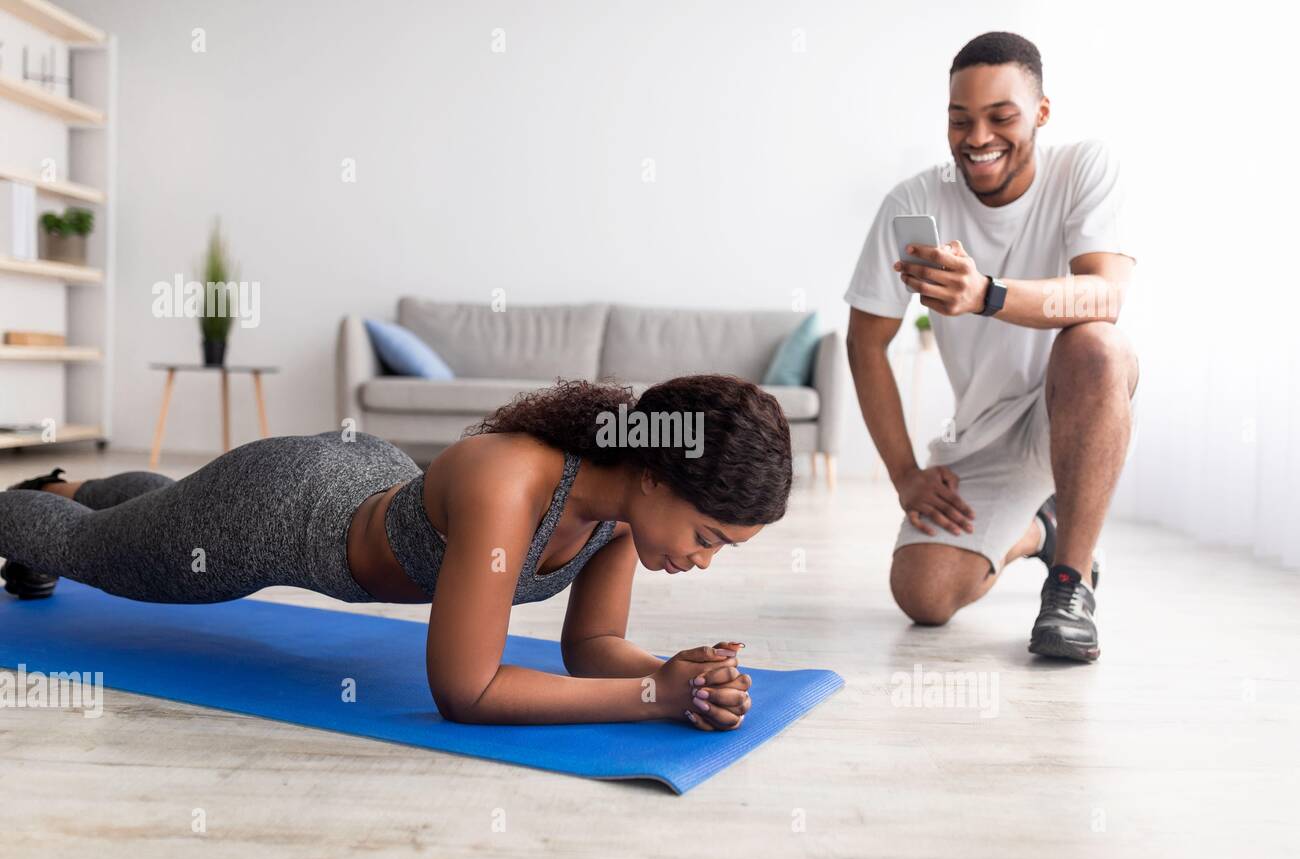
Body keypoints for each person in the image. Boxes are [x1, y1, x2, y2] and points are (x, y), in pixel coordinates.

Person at [0, 375, 792, 726]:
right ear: (655, 475)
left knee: (157, 517)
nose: (702, 560)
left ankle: (80, 489)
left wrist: (674, 675)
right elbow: (468, 692)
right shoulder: (511, 484)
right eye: (707, 537)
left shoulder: (623, 515)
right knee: (103, 558)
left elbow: (589, 649)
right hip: (280, 512)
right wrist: (653, 701)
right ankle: (28, 509)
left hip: (363, 477)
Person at [844, 31, 1139, 661]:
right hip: (987, 433)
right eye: (960, 120)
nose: (978, 137)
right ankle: (1043, 530)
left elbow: (1103, 296)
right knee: (922, 597)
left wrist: (987, 295)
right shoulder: (914, 201)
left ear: (1040, 113)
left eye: (1001, 117)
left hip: (1073, 406)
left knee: (1099, 346)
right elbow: (866, 342)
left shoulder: (1085, 167)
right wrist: (904, 476)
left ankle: (1071, 583)